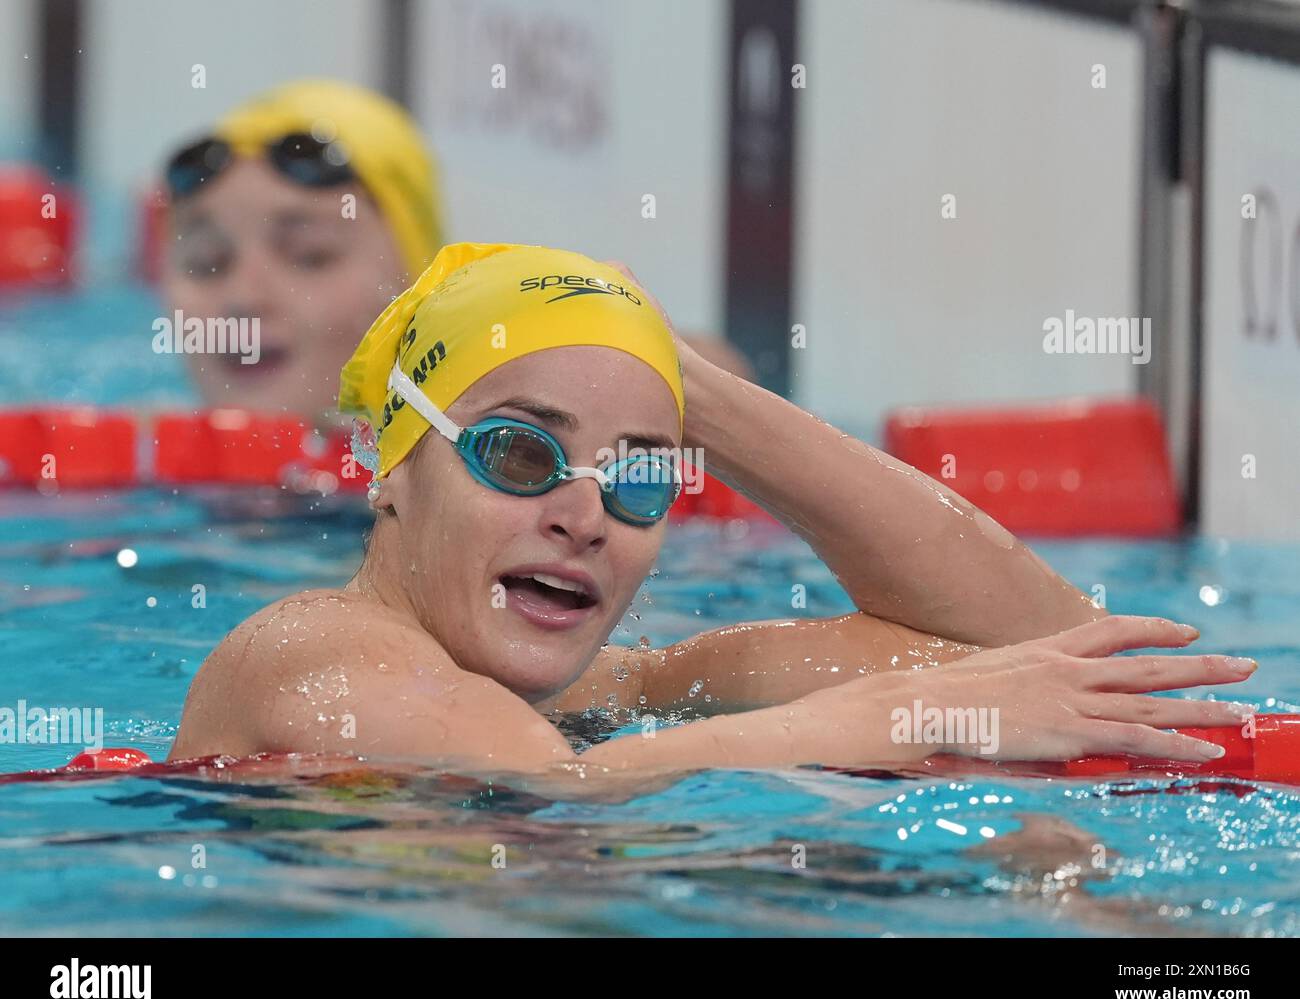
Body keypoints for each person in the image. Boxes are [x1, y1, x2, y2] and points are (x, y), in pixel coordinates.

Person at [169, 242, 1257, 781]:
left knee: (1041, 835)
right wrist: (912, 717)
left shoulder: (616, 693)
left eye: (640, 470)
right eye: (517, 451)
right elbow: (559, 790)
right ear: (390, 468)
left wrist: (701, 394)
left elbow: (1047, 651)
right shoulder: (305, 649)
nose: (584, 513)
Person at [159, 79, 753, 422]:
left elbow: (712, 368)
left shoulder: (478, 441)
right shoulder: (139, 461)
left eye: (310, 256)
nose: (242, 297)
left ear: (416, 284)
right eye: (206, 263)